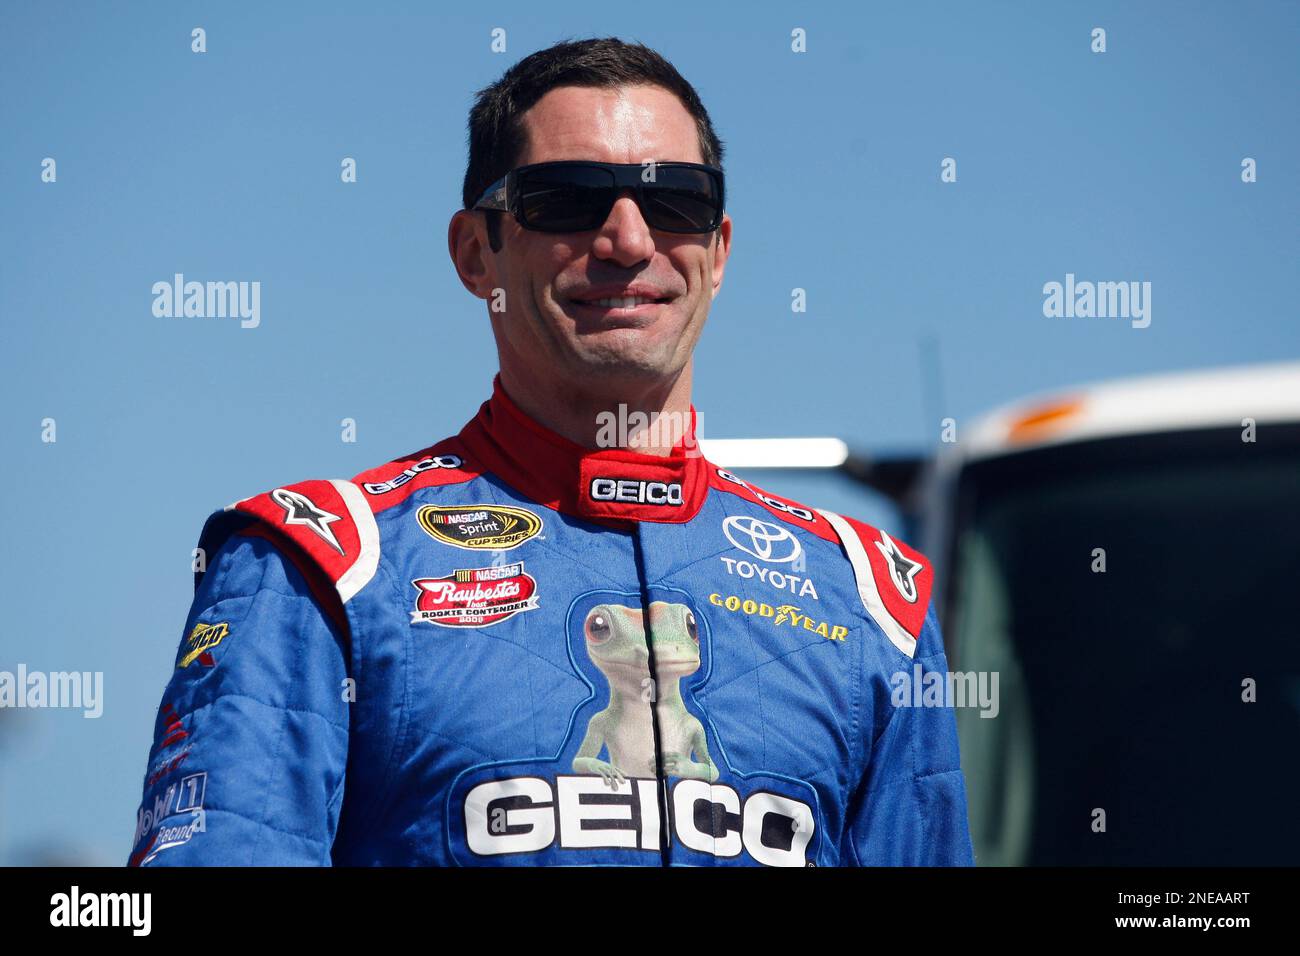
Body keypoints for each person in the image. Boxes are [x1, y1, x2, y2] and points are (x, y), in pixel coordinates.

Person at [128, 37, 975, 867]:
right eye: (568, 199)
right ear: (474, 252)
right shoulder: (323, 567)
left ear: (718, 254)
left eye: (676, 201)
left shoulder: (872, 606)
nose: (629, 242)